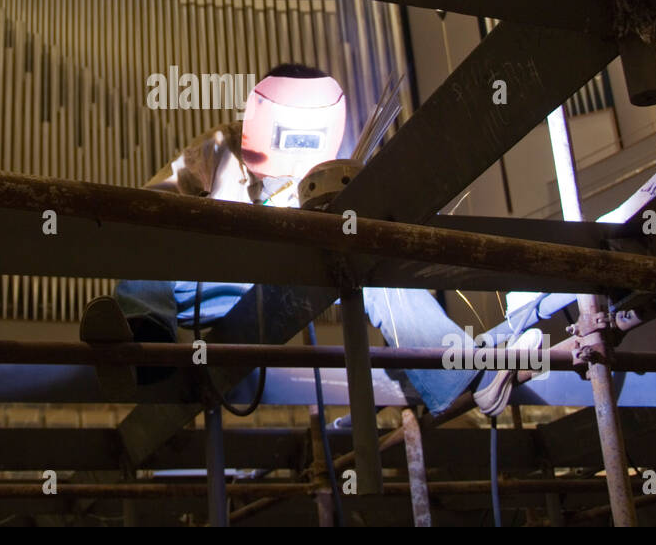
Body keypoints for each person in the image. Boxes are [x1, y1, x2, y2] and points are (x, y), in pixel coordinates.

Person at [80, 62, 538, 414]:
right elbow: (147, 204)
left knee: (370, 256)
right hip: (209, 281)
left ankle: (458, 373)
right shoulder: (217, 148)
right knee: (150, 237)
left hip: (280, 281)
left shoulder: (329, 174)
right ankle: (145, 340)